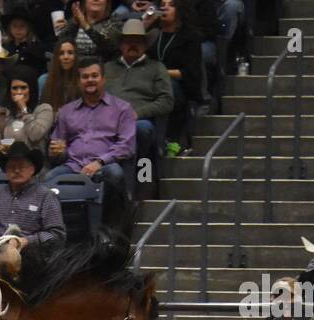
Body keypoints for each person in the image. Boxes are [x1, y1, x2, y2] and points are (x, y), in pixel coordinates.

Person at [50, 57, 136, 224]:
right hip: (73, 165)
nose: (90, 80)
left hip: (104, 166)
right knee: (49, 179)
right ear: (79, 81)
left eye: (94, 76)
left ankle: (110, 229)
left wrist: (99, 162)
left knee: (115, 173)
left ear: (104, 79)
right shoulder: (67, 111)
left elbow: (127, 146)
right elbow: (59, 146)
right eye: (85, 76)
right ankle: (59, 232)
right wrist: (56, 151)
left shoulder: (122, 108)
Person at [103, 19, 174, 169]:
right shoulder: (107, 68)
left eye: (138, 41)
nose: (133, 45)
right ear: (121, 44)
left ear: (145, 45)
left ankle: (143, 180)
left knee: (139, 130)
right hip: (107, 121)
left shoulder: (157, 68)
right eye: (129, 41)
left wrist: (136, 113)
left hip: (138, 120)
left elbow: (166, 101)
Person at [0, 141, 64, 248]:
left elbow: (57, 234)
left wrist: (25, 241)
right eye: (11, 167)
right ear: (5, 171)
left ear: (32, 170)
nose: (16, 170)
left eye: (22, 166)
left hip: (34, 254)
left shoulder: (46, 196)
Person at [146, 0, 202, 154]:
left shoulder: (190, 36)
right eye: (162, 4)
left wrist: (161, 73)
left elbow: (189, 72)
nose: (164, 7)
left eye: (170, 5)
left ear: (180, 10)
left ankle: (165, 141)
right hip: (149, 81)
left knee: (166, 87)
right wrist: (144, 26)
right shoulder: (152, 34)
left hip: (180, 86)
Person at [0, 68, 54, 167]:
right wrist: (2, 149)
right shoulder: (0, 112)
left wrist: (23, 110)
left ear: (32, 89)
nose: (19, 92)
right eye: (15, 88)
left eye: (23, 88)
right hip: (8, 162)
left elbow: (35, 135)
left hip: (35, 164)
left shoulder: (44, 109)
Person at [56, 0, 123, 62]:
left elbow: (109, 49)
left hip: (102, 70)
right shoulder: (74, 22)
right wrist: (73, 25)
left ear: (107, 2)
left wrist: (86, 26)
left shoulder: (114, 23)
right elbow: (62, 46)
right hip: (74, 69)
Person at [41, 38, 82, 112]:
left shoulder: (83, 80)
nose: (66, 57)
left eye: (70, 53)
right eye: (61, 53)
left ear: (76, 56)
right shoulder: (44, 80)